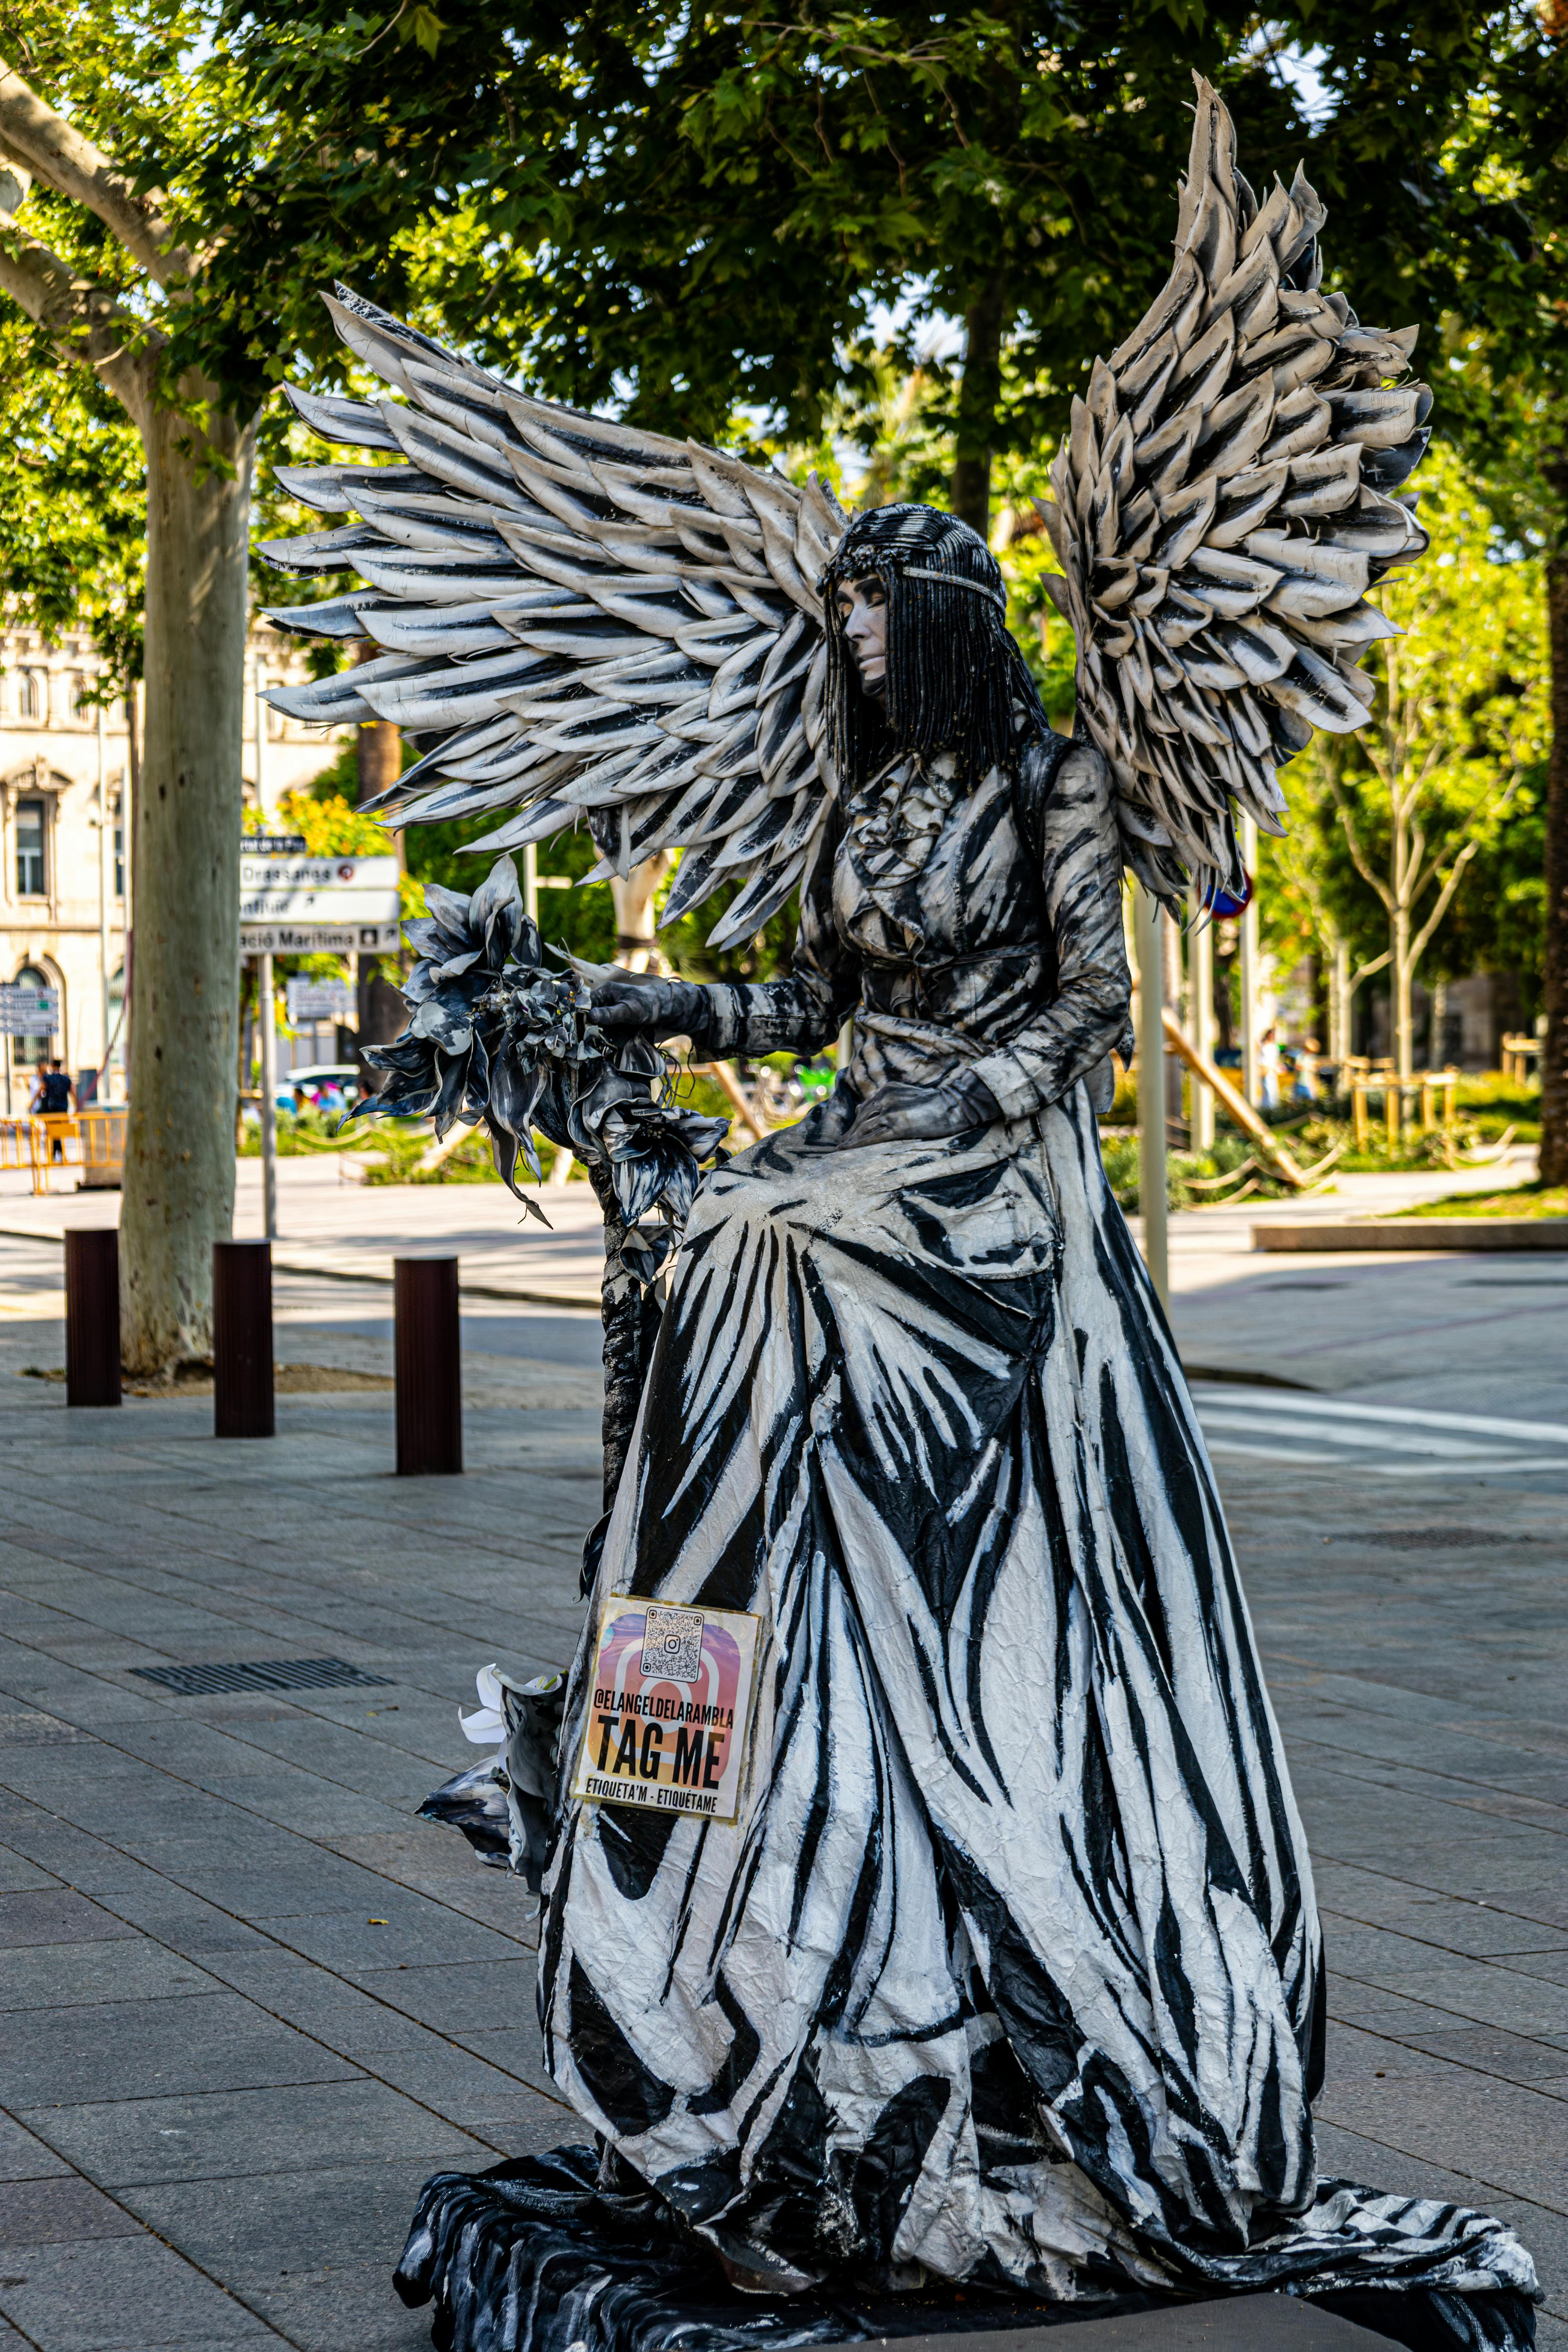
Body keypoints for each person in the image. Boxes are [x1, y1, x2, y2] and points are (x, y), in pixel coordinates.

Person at [398, 508, 1536, 2352]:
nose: (842, 647)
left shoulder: (1047, 785)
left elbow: (1089, 1002)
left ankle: (668, 1701)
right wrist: (636, 1001)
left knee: (737, 1253)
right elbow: (812, 1003)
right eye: (834, 617)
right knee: (715, 1299)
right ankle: (668, 1776)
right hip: (867, 1176)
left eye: (865, 618)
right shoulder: (872, 802)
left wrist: (947, 1111)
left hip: (998, 1202)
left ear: (933, 623)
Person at [29, 1058, 73, 1159]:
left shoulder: (49, 1079)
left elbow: (42, 1090)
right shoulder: (66, 1079)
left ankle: (55, 1152)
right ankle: (58, 1152)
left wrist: (33, 1102)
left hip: (51, 1109)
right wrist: (76, 1107)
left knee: (53, 1131)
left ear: (53, 1066)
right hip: (63, 1109)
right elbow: (73, 1092)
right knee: (57, 1131)